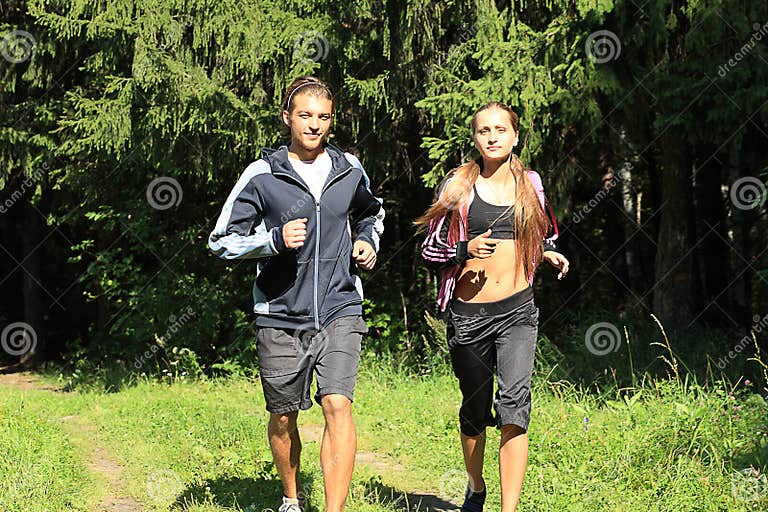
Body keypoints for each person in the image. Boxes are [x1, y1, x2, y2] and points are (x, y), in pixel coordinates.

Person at [208, 76, 385, 512]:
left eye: (323, 117)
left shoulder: (349, 168)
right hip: (281, 313)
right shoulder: (263, 174)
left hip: (341, 305)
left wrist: (367, 241)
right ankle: (291, 496)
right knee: (284, 416)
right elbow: (222, 241)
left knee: (337, 404)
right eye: (305, 115)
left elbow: (372, 213)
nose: (314, 125)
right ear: (287, 117)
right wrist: (273, 239)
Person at [416, 102, 569, 512]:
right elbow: (429, 250)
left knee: (515, 409)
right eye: (484, 130)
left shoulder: (530, 184)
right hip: (469, 316)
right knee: (474, 411)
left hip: (518, 311)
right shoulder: (458, 186)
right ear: (475, 138)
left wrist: (547, 252)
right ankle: (476, 485)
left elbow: (545, 231)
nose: (493, 136)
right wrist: (463, 249)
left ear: (515, 136)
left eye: (501, 129)